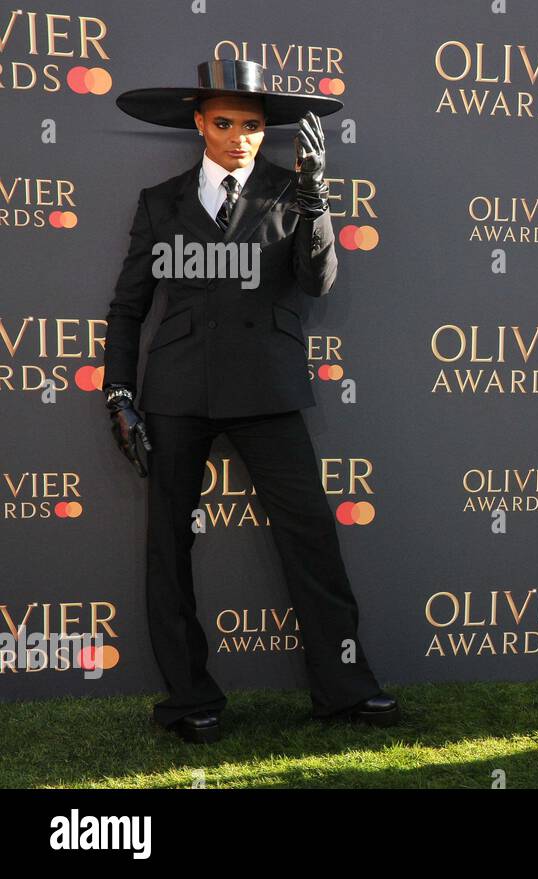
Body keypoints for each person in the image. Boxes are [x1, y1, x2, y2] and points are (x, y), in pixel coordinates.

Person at [103, 59, 398, 743]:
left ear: (267, 130)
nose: (240, 137)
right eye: (226, 123)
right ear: (200, 124)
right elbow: (127, 308)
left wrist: (315, 197)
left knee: (311, 538)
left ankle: (345, 689)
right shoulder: (159, 202)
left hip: (267, 387)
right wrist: (119, 392)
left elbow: (317, 282)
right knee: (168, 546)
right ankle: (188, 699)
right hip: (178, 390)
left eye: (253, 125)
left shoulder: (292, 191)